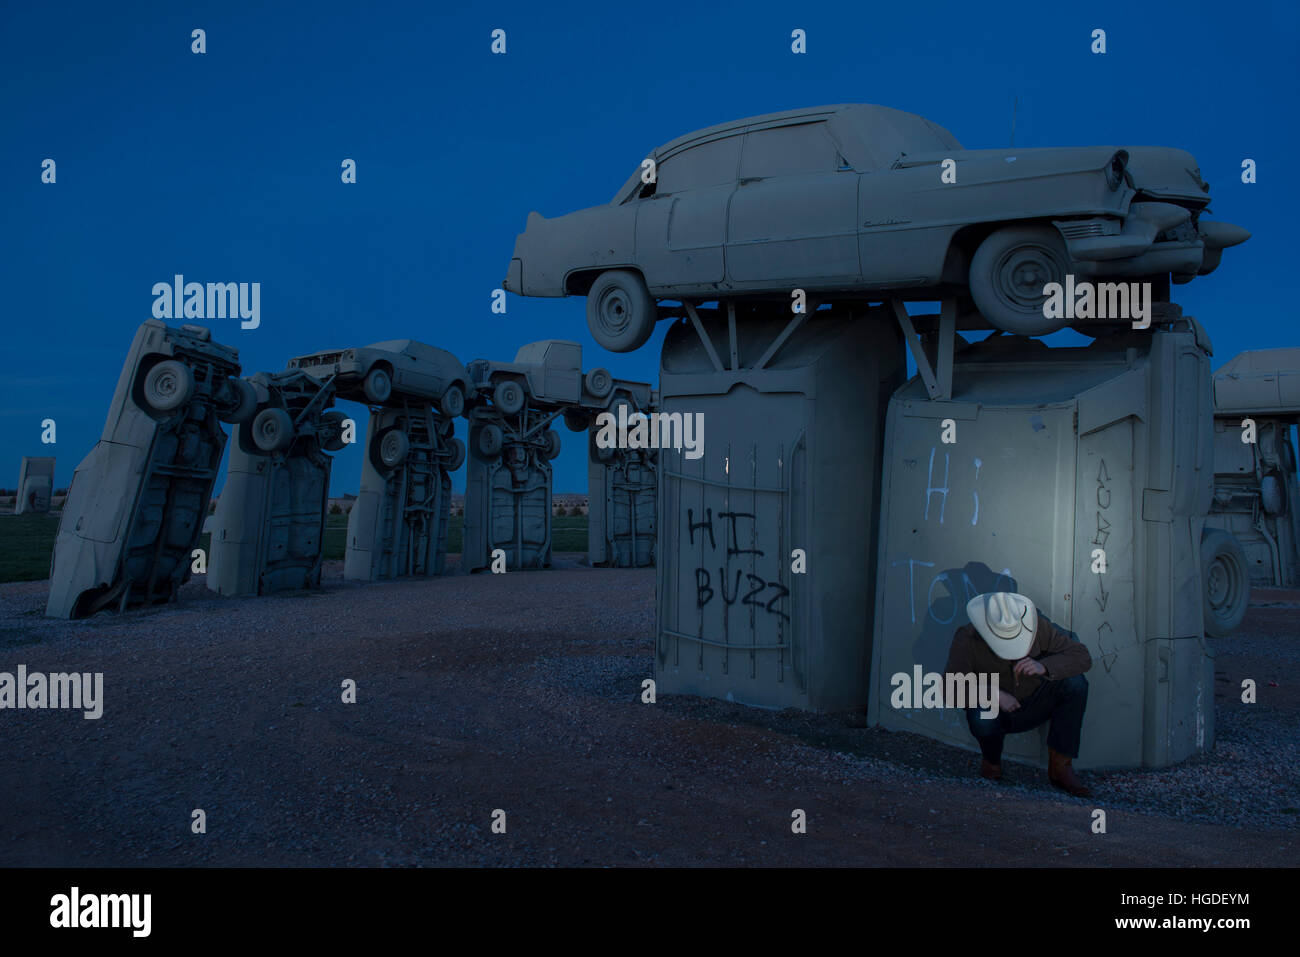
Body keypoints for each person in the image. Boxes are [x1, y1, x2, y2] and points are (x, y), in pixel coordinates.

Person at [945, 592, 1093, 797]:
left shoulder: (1039, 627)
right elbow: (949, 688)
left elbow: (1082, 656)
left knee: (1075, 684)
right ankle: (991, 763)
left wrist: (1044, 666)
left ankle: (1060, 767)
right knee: (982, 714)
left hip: (1035, 703)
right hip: (996, 713)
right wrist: (991, 693)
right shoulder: (967, 636)